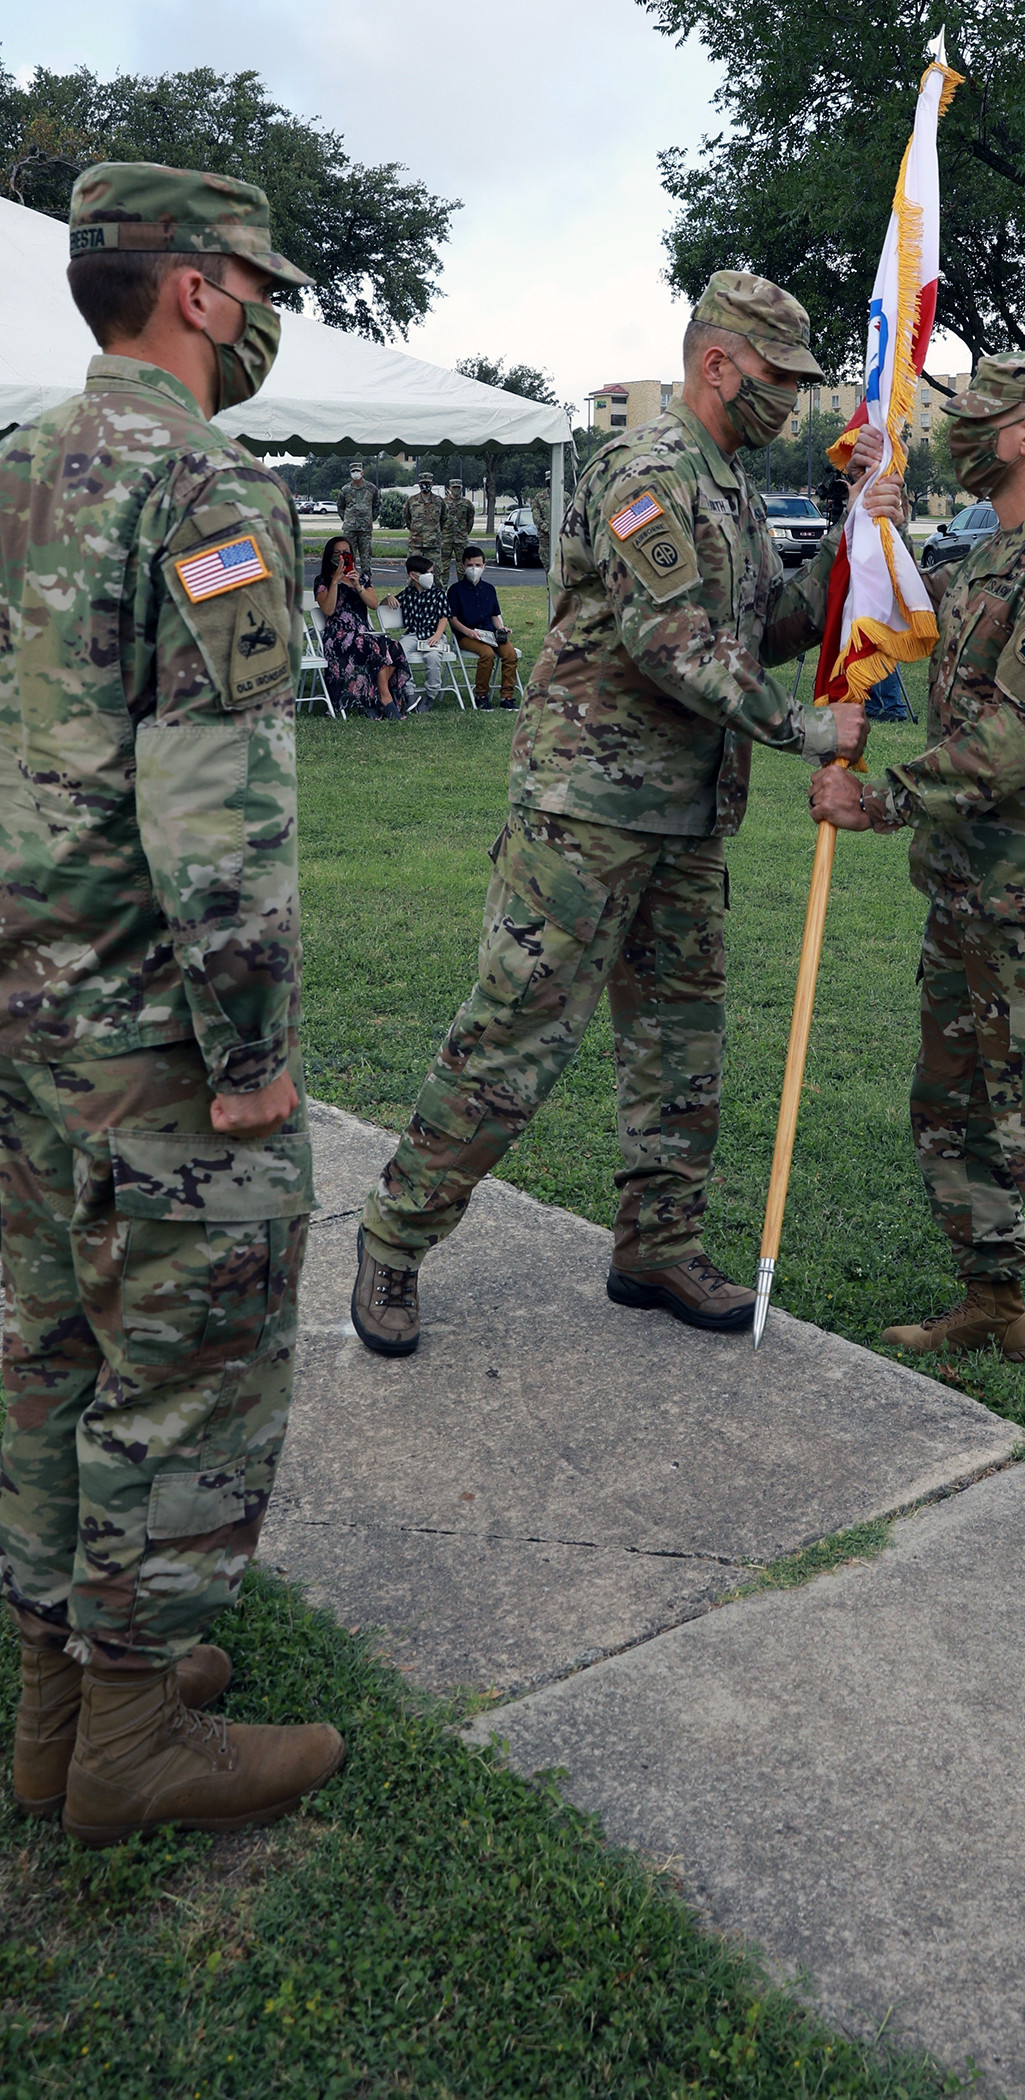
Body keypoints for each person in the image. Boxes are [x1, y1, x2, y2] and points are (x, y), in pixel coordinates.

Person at [0, 161, 345, 1843]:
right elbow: (217, 807)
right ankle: (132, 1733)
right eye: (253, 281)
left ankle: (59, 1705)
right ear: (198, 289)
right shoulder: (203, 487)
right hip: (141, 1022)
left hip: (18, 1016)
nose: (266, 311)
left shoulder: (13, 461)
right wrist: (256, 1056)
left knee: (49, 1350)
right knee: (184, 1361)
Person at [350, 271, 882, 1356]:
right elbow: (670, 641)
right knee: (515, 1038)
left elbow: (766, 621)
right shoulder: (641, 472)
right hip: (587, 810)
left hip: (687, 813)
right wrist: (805, 732)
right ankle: (394, 1237)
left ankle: (657, 1245)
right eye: (779, 379)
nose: (792, 401)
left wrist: (851, 546)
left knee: (680, 1049)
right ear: (717, 362)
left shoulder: (726, 483)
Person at [810, 354, 1025, 1419]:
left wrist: (881, 801)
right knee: (951, 1109)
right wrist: (884, 522)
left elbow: (1013, 740)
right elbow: (944, 659)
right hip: (969, 893)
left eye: (972, 419)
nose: (955, 432)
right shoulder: (997, 555)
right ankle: (991, 1297)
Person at [314, 534, 413, 718]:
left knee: (394, 647)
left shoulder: (363, 578)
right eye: (337, 553)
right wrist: (335, 580)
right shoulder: (323, 581)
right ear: (329, 557)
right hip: (338, 636)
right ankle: (384, 698)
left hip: (362, 631)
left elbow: (374, 604)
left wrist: (357, 585)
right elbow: (328, 609)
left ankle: (380, 695)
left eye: (346, 553)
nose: (341, 556)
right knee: (374, 647)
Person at [447, 546, 519, 708]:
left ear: (484, 566)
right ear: (463, 566)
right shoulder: (455, 591)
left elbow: (495, 615)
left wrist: (501, 628)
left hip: (490, 634)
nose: (474, 569)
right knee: (487, 654)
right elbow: (452, 619)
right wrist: (469, 632)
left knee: (510, 654)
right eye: (470, 565)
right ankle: (481, 695)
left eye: (478, 565)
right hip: (466, 635)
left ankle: (507, 696)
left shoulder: (489, 589)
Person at [382, 553, 451, 704]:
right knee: (399, 653)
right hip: (413, 634)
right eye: (428, 573)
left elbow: (444, 616)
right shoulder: (408, 593)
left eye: (432, 573)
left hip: (433, 633)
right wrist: (388, 597)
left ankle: (431, 695)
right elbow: (382, 606)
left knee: (433, 657)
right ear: (414, 575)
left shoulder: (438, 593)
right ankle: (409, 691)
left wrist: (438, 635)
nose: (431, 576)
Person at [339, 461, 379, 577]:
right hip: (350, 528)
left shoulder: (371, 488)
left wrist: (370, 519)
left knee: (365, 558)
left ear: (362, 472)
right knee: (348, 556)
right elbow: (341, 507)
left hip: (365, 529)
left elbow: (376, 505)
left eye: (357, 471)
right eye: (353, 471)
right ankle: (348, 582)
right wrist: (348, 519)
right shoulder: (345, 489)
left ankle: (366, 582)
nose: (355, 473)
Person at [403, 468, 446, 577]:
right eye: (423, 483)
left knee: (436, 576)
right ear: (419, 484)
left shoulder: (439, 501)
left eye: (427, 483)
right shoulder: (412, 501)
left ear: (432, 484)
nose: (425, 485)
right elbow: (408, 519)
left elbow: (444, 519)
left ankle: (437, 594)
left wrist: (434, 532)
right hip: (416, 545)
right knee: (413, 576)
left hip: (433, 545)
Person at [441, 478, 475, 582]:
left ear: (461, 488)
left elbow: (470, 521)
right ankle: (442, 591)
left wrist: (464, 533)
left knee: (463, 567)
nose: (456, 490)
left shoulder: (467, 504)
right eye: (454, 487)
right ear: (449, 488)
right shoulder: (443, 503)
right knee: (443, 567)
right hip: (446, 539)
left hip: (461, 540)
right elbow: (438, 520)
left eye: (458, 488)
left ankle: (462, 590)